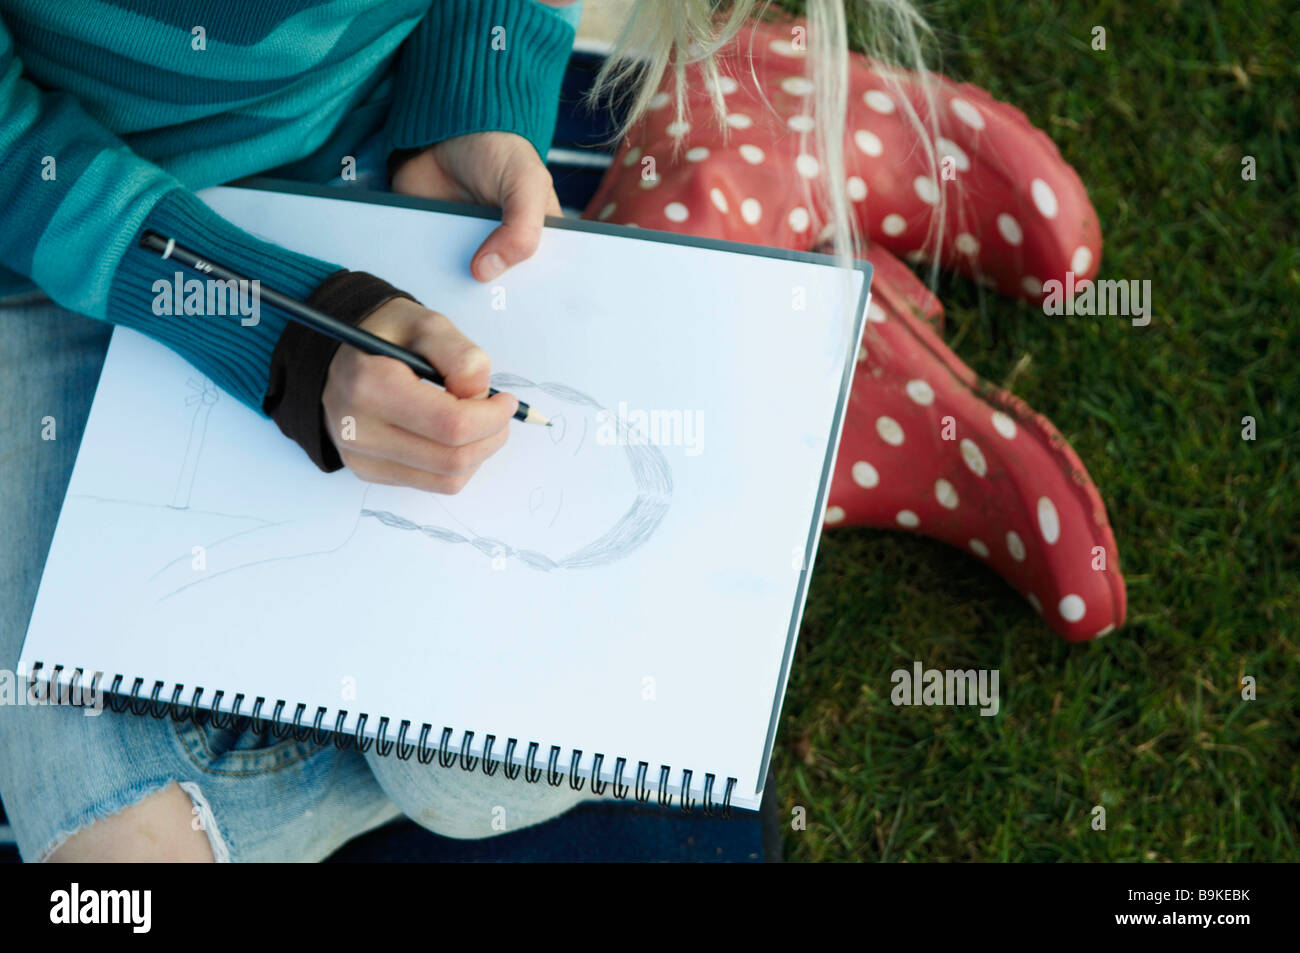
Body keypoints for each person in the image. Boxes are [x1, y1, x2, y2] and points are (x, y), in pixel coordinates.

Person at [0, 0, 936, 861]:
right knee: (110, 871)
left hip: (366, 146)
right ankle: (739, 162)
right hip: (49, 240)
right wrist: (274, 327)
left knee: (476, 775)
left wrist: (476, 97)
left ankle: (758, 184)